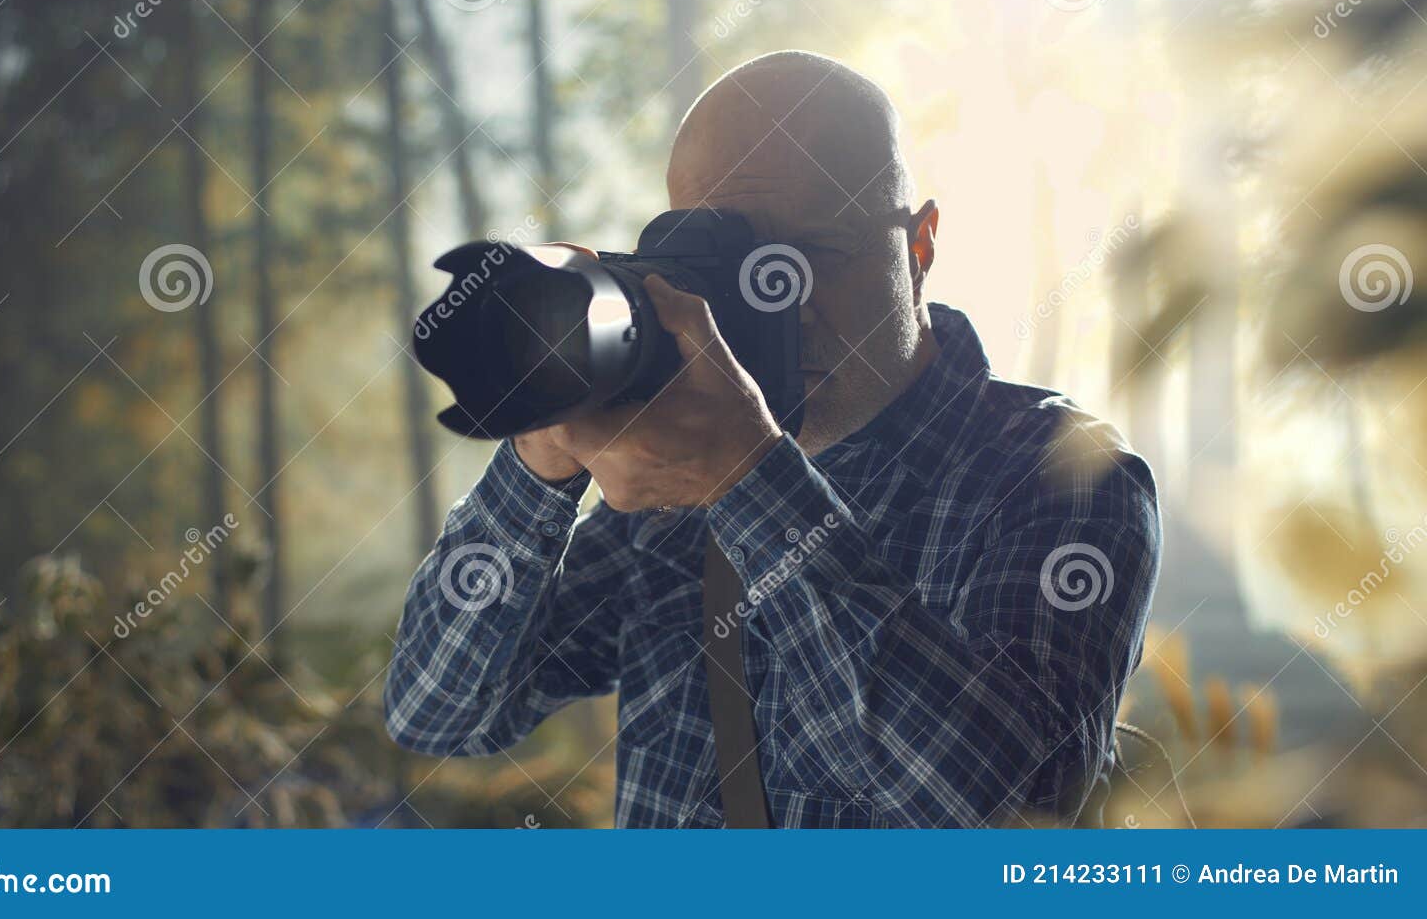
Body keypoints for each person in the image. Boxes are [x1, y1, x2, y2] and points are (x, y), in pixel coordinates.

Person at [384, 50, 1159, 828]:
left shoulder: (1066, 479)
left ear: (920, 245)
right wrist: (538, 464)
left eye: (814, 253)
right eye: (729, 262)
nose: (776, 298)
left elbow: (1004, 806)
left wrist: (751, 479)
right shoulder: (668, 486)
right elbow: (439, 711)